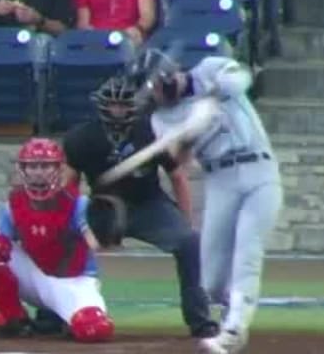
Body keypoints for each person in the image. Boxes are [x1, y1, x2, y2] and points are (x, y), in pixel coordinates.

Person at [128, 47, 280, 354]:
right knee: (209, 280)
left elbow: (242, 80)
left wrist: (210, 97)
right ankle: (235, 306)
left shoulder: (210, 68)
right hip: (220, 179)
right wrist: (189, 130)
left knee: (247, 250)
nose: (154, 95)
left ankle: (235, 329)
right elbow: (179, 157)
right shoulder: (162, 117)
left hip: (259, 170)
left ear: (166, 76)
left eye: (154, 86)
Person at [61, 73, 217, 339]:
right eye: (113, 105)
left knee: (190, 243)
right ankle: (57, 315)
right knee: (63, 242)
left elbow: (177, 176)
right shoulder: (81, 138)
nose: (118, 111)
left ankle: (200, 320)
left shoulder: (153, 132)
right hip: (103, 207)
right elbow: (69, 187)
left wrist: (186, 221)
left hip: (149, 205)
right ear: (102, 106)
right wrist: (70, 223)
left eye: (123, 105)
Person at [0, 137, 114, 342]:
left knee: (95, 330)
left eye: (45, 166)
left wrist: (106, 231)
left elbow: (94, 244)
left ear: (58, 168)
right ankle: (12, 319)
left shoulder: (77, 203)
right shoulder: (13, 205)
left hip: (74, 280)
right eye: (33, 166)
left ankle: (69, 316)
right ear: (23, 169)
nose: (38, 172)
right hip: (35, 277)